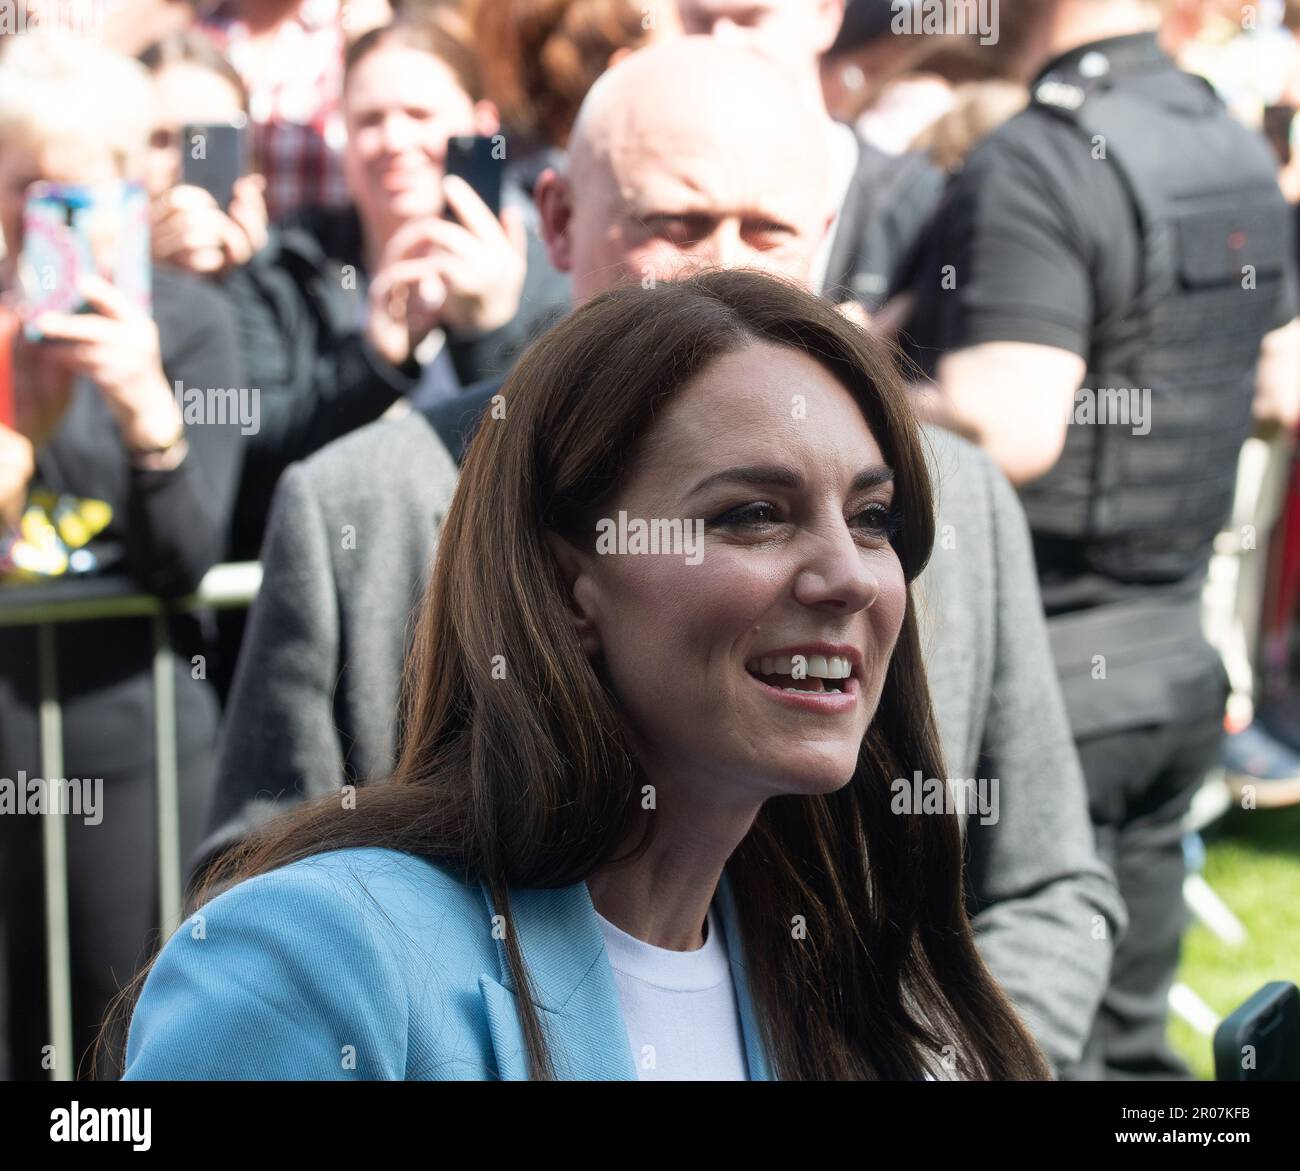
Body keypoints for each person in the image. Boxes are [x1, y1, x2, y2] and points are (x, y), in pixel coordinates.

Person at [203, 39, 1122, 1075]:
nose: (724, 267)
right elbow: (254, 890)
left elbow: (1046, 884)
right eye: (675, 225)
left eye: (768, 230)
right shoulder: (360, 502)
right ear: (558, 219)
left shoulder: (956, 499)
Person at [120, 267, 1052, 1081]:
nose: (849, 576)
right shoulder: (317, 958)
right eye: (754, 514)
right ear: (571, 585)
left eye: (873, 517)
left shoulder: (839, 984)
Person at [898, 0, 1299, 1079]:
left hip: (1046, 684)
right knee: (1129, 1048)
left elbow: (1012, 425)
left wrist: (850, 363)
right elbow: (1283, 381)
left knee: (1015, 1033)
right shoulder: (1225, 138)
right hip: (1174, 666)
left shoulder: (1034, 157)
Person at [0, 34, 245, 1080]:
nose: (46, 217)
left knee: (126, 1032)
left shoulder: (189, 323)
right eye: (26, 186)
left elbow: (187, 556)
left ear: (126, 191)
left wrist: (149, 418)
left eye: (74, 192)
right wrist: (20, 431)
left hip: (132, 740)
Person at [676, 0, 946, 313]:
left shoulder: (914, 204)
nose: (721, 40)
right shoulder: (645, 177)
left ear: (827, 15)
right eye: (700, 22)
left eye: (751, 19)